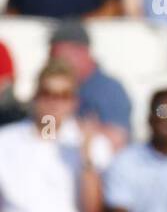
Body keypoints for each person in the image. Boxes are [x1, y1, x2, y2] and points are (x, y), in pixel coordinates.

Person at [0, 59, 109, 212]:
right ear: (35, 96)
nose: (54, 103)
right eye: (47, 94)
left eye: (63, 95)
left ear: (74, 102)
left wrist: (86, 157)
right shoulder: (5, 141)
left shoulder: (93, 144)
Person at [48, 20, 131, 152]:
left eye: (57, 57)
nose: (52, 62)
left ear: (81, 52)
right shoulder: (49, 87)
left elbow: (118, 141)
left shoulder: (109, 89)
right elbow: (42, 133)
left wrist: (73, 129)